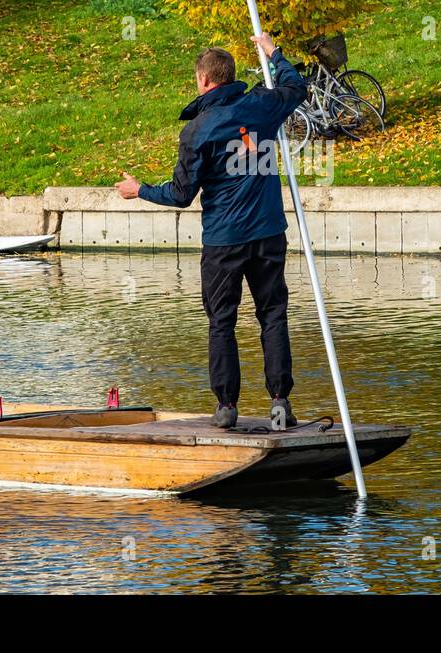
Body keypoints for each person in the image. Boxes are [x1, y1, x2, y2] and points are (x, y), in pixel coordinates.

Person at [116, 32, 307, 429]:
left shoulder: (198, 130)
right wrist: (274, 55)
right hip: (269, 233)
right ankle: (280, 400)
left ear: (204, 81)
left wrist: (140, 191)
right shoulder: (262, 105)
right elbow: (296, 87)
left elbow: (182, 194)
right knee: (273, 315)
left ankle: (226, 407)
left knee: (222, 321)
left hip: (223, 241)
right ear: (230, 76)